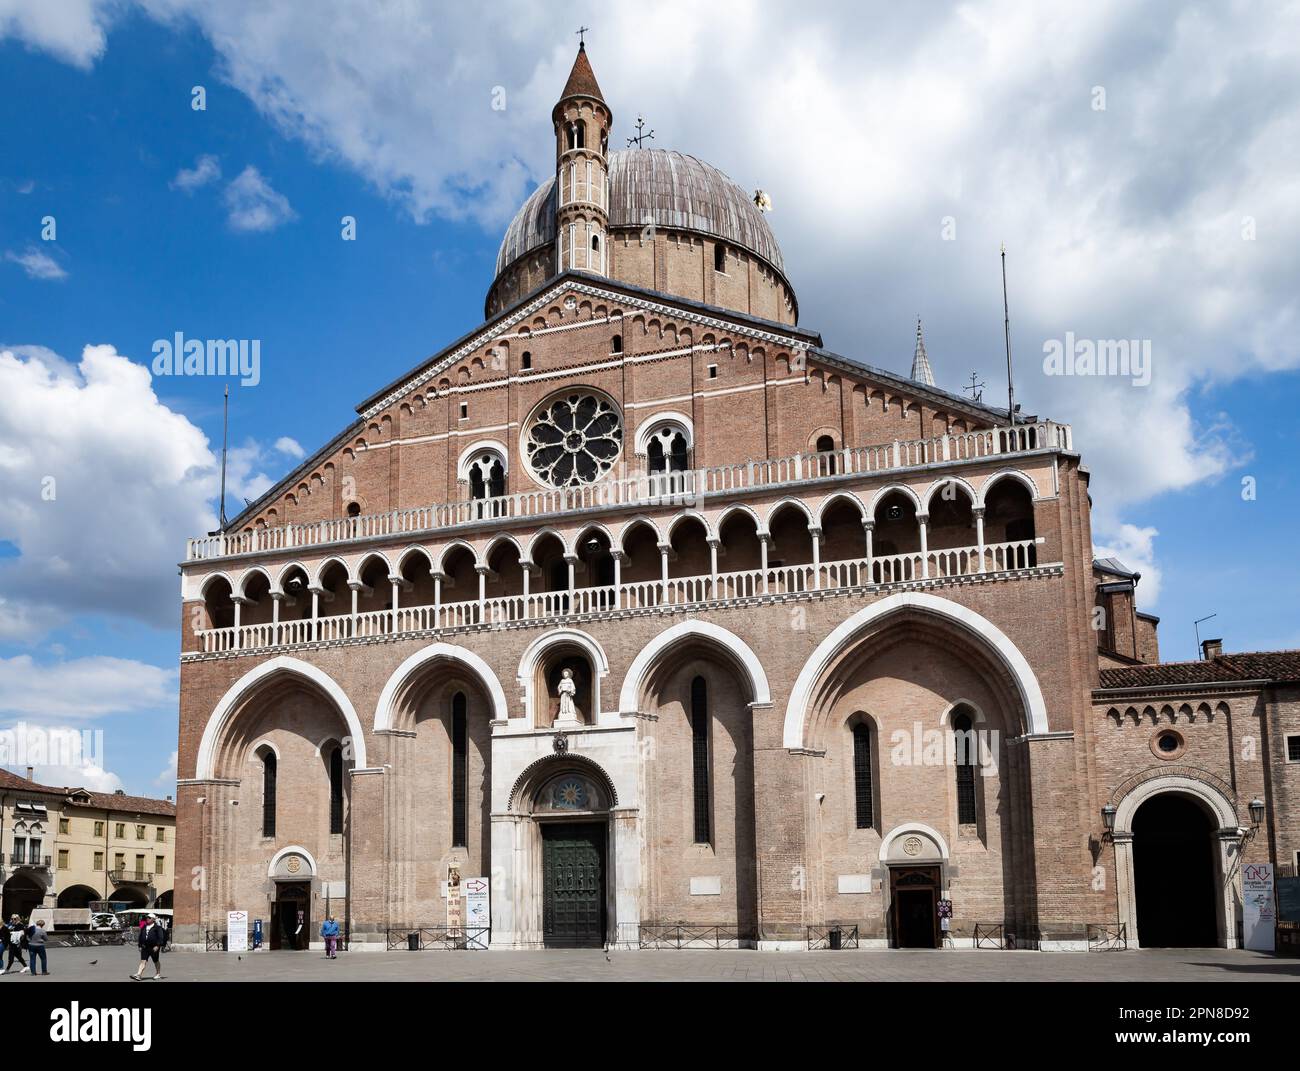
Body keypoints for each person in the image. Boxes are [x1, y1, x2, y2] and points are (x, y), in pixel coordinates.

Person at [130, 914, 164, 980]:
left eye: (149, 918)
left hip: (154, 947)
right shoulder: (144, 927)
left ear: (153, 919)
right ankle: (139, 974)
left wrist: (157, 945)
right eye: (147, 917)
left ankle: (158, 974)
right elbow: (141, 936)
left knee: (156, 961)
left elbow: (161, 937)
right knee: (143, 961)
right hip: (145, 947)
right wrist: (140, 945)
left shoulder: (157, 927)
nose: (147, 919)